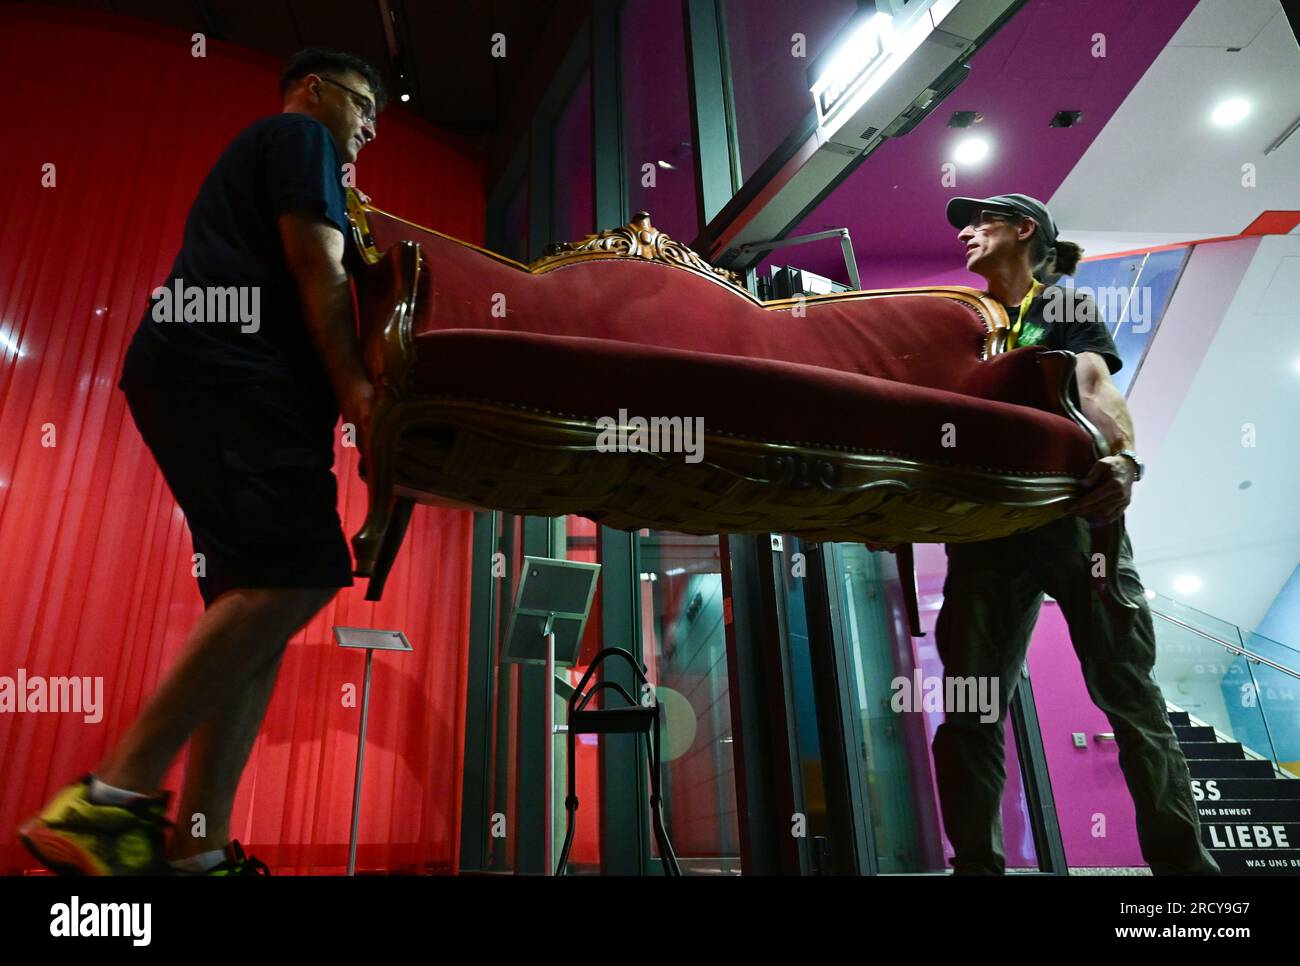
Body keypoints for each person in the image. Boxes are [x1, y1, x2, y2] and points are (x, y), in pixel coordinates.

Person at [19, 49, 384, 876]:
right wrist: (358, 390)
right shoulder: (300, 139)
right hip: (227, 373)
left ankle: (200, 850)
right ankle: (107, 805)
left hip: (228, 383)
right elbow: (314, 266)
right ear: (315, 91)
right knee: (297, 574)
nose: (367, 127)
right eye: (361, 105)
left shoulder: (288, 153)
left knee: (260, 609)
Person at [931, 193, 1219, 875]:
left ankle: (1187, 880)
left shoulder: (1059, 304)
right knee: (969, 709)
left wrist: (1121, 458)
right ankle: (975, 866)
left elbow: (1092, 385)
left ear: (1023, 230)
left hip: (1073, 516)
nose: (968, 231)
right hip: (985, 529)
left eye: (982, 220)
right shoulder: (966, 321)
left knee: (1129, 697)